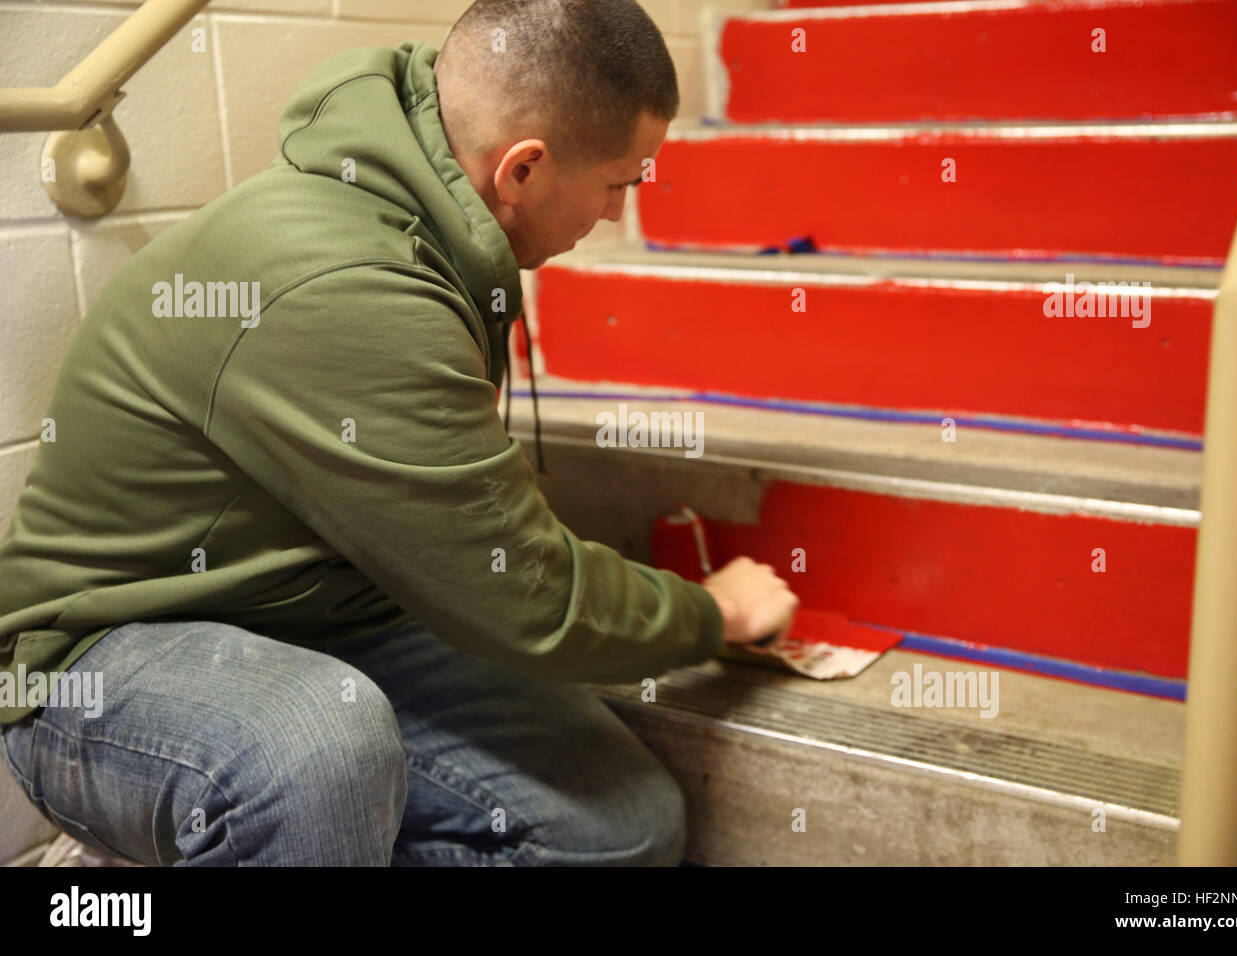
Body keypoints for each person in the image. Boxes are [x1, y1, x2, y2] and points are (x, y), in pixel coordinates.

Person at [0, 0, 796, 866]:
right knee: (314, 751)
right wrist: (709, 611)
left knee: (620, 826)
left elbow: (475, 549)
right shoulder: (350, 287)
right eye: (620, 181)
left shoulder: (431, 218)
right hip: (103, 661)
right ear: (522, 170)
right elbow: (528, 597)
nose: (615, 214)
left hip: (320, 611)